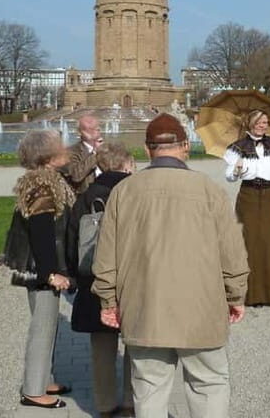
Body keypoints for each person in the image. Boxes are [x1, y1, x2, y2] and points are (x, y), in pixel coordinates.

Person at [92, 113, 249, 418]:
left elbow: (106, 256)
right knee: (209, 384)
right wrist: (235, 295)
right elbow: (232, 253)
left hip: (144, 306)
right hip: (201, 307)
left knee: (149, 387)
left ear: (148, 150)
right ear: (185, 146)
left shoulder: (124, 191)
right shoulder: (209, 189)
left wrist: (108, 300)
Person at [67, 142, 137, 417]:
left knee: (102, 348)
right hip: (131, 277)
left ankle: (105, 405)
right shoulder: (134, 192)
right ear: (126, 165)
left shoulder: (87, 195)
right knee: (135, 345)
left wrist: (75, 274)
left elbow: (73, 239)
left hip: (95, 278)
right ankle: (132, 401)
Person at [13, 129, 76, 409]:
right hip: (41, 267)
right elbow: (41, 231)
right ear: (48, 156)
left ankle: (44, 378)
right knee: (43, 326)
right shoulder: (42, 184)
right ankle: (33, 390)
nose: (66, 149)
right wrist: (51, 272)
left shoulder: (48, 180)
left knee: (48, 325)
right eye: (60, 146)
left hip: (41, 265)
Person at [223, 109, 270, 307]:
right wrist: (236, 170)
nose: (264, 125)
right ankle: (253, 295)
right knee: (250, 243)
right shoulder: (237, 148)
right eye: (260, 121)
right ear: (250, 123)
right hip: (248, 197)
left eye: (266, 122)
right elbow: (228, 177)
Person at [64, 114, 103, 195]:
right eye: (87, 129)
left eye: (94, 128)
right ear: (79, 132)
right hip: (85, 198)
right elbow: (76, 176)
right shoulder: (71, 151)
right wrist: (95, 153)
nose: (92, 131)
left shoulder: (109, 150)